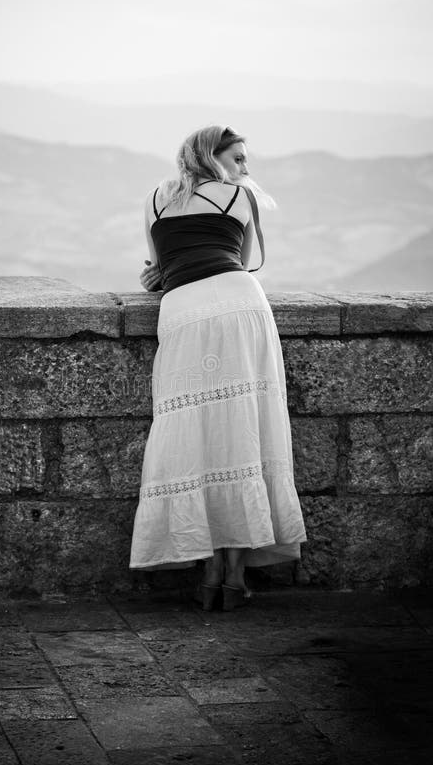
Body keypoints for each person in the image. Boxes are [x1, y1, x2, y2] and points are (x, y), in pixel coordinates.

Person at [129, 125, 307, 611]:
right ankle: (231, 572)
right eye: (239, 159)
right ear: (213, 158)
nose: (246, 169)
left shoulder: (156, 199)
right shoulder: (238, 197)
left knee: (190, 429)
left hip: (183, 311)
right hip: (240, 307)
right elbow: (242, 262)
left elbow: (161, 264)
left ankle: (210, 567)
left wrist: (161, 272)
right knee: (243, 428)